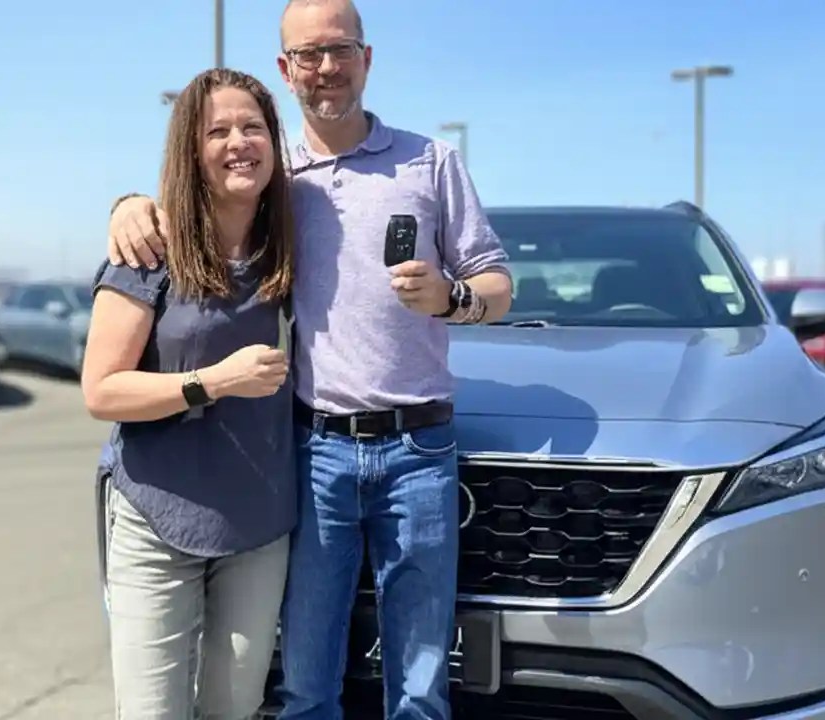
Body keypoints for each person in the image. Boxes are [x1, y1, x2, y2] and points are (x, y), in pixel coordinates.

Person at [105, 1, 512, 717]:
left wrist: (450, 298)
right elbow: (191, 197)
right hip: (314, 450)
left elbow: (498, 286)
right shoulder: (272, 172)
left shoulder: (431, 161)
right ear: (284, 70)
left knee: (420, 680)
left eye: (340, 50)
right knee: (306, 678)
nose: (326, 68)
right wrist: (129, 203)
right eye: (308, 55)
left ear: (367, 58)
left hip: (420, 446)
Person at [81, 67, 298, 720]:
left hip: (259, 527)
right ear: (190, 149)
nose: (239, 142)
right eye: (219, 130)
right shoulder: (150, 247)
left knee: (233, 711)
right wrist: (212, 382)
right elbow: (102, 390)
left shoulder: (290, 247)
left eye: (253, 127)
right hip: (157, 519)